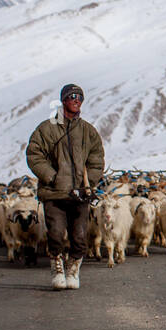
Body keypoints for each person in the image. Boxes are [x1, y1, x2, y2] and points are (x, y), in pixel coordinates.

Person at [25, 83, 105, 291]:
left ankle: (73, 268)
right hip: (54, 193)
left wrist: (90, 182)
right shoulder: (47, 129)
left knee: (79, 237)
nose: (76, 100)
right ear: (63, 100)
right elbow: (34, 155)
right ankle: (57, 268)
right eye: (72, 96)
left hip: (80, 194)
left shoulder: (88, 131)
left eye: (79, 97)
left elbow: (96, 159)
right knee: (56, 233)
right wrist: (52, 177)